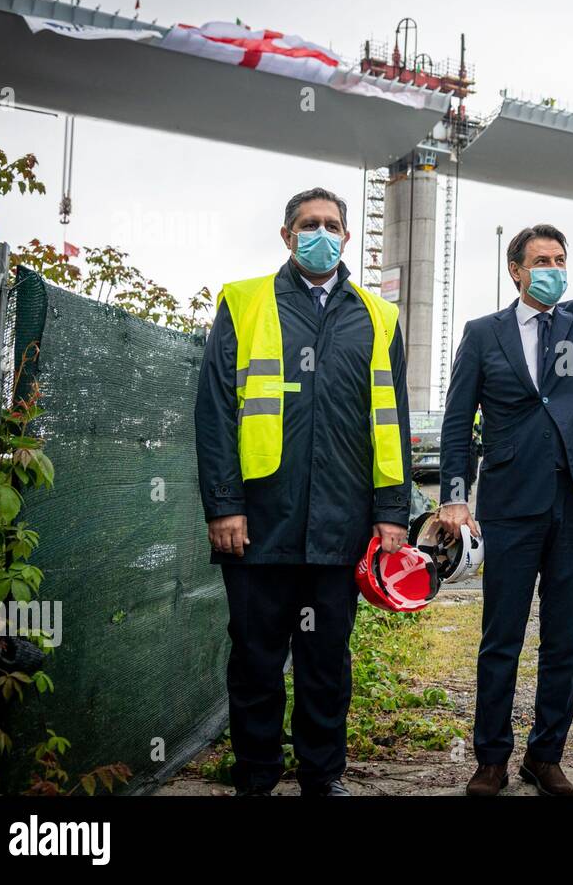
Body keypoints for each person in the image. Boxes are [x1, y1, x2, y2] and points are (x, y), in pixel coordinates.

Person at [437, 170, 573, 796]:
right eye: (541, 261)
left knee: (562, 637)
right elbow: (457, 421)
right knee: (501, 637)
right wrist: (456, 496)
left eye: (560, 261)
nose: (553, 269)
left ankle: (546, 754)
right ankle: (491, 759)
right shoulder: (484, 334)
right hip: (510, 502)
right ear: (516, 270)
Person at [195, 187, 412, 797]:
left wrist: (391, 513)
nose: (322, 232)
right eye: (309, 224)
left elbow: (391, 421)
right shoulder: (245, 302)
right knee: (256, 661)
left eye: (332, 224)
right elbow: (214, 412)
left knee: (325, 664)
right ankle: (257, 778)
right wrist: (225, 505)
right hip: (258, 524)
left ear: (347, 237)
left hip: (341, 525)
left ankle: (322, 777)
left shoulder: (378, 316)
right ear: (287, 236)